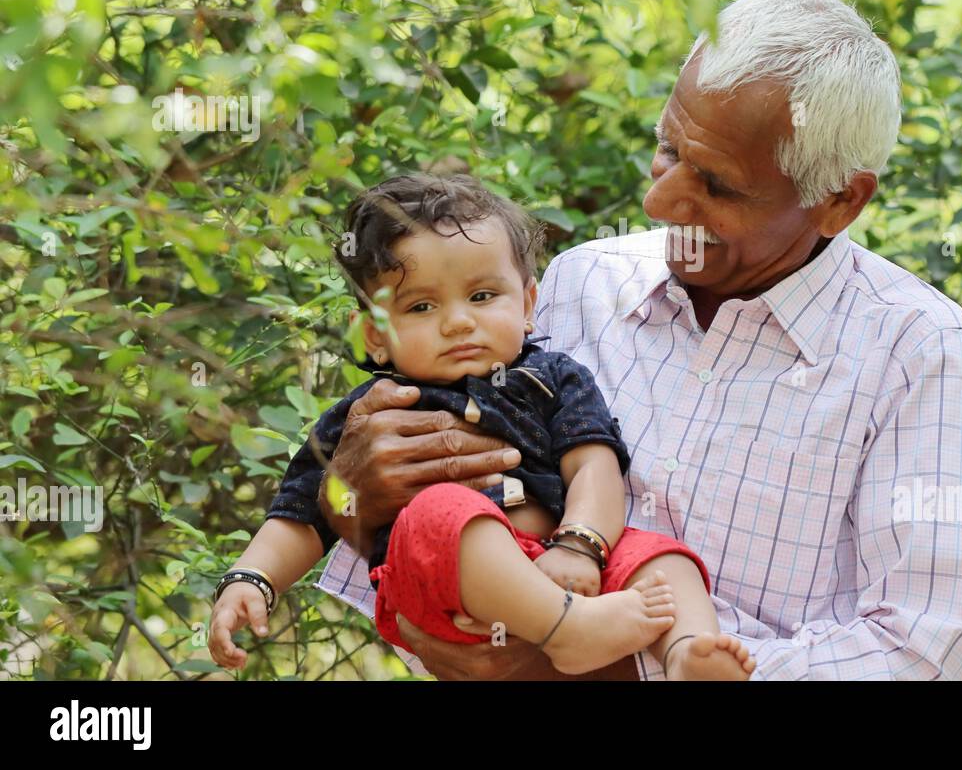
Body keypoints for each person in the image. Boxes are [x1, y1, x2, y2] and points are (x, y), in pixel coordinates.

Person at [317, 0, 962, 680]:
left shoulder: (919, 353)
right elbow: (436, 544)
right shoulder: (583, 286)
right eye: (668, 150)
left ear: (839, 201)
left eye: (717, 185)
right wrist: (350, 501)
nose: (659, 199)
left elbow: (921, 653)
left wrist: (599, 662)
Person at [207, 173, 756, 680]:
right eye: (421, 306)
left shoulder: (552, 378)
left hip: (558, 563)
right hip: (445, 589)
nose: (458, 321)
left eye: (482, 296)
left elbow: (593, 463)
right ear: (374, 335)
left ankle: (688, 651)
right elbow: (302, 513)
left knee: (659, 556)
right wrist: (252, 577)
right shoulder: (372, 415)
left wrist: (581, 545)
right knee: (439, 510)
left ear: (528, 304)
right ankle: (568, 632)